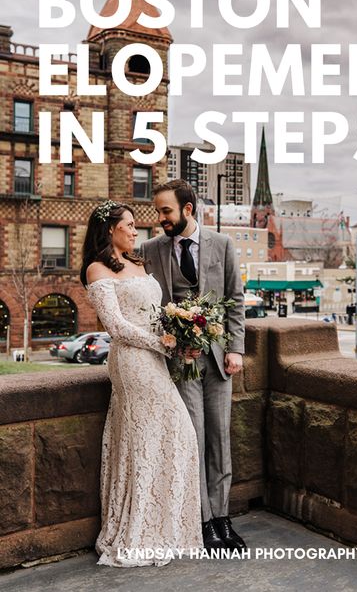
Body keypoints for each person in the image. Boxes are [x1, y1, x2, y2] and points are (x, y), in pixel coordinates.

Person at [80, 200, 202, 567]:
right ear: (110, 230)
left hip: (156, 358)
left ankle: (165, 525)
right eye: (129, 225)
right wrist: (163, 345)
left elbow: (154, 316)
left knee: (176, 435)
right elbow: (116, 327)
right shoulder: (97, 270)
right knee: (145, 439)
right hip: (132, 362)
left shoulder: (135, 263)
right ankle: (136, 530)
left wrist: (180, 336)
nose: (135, 231)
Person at [141, 179, 247, 552]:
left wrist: (236, 349)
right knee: (193, 441)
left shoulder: (222, 244)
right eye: (158, 212)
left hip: (219, 361)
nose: (160, 219)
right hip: (178, 363)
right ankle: (202, 522)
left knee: (219, 439)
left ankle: (223, 518)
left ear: (188, 209)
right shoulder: (150, 250)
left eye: (166, 211)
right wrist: (169, 341)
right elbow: (148, 308)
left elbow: (235, 299)